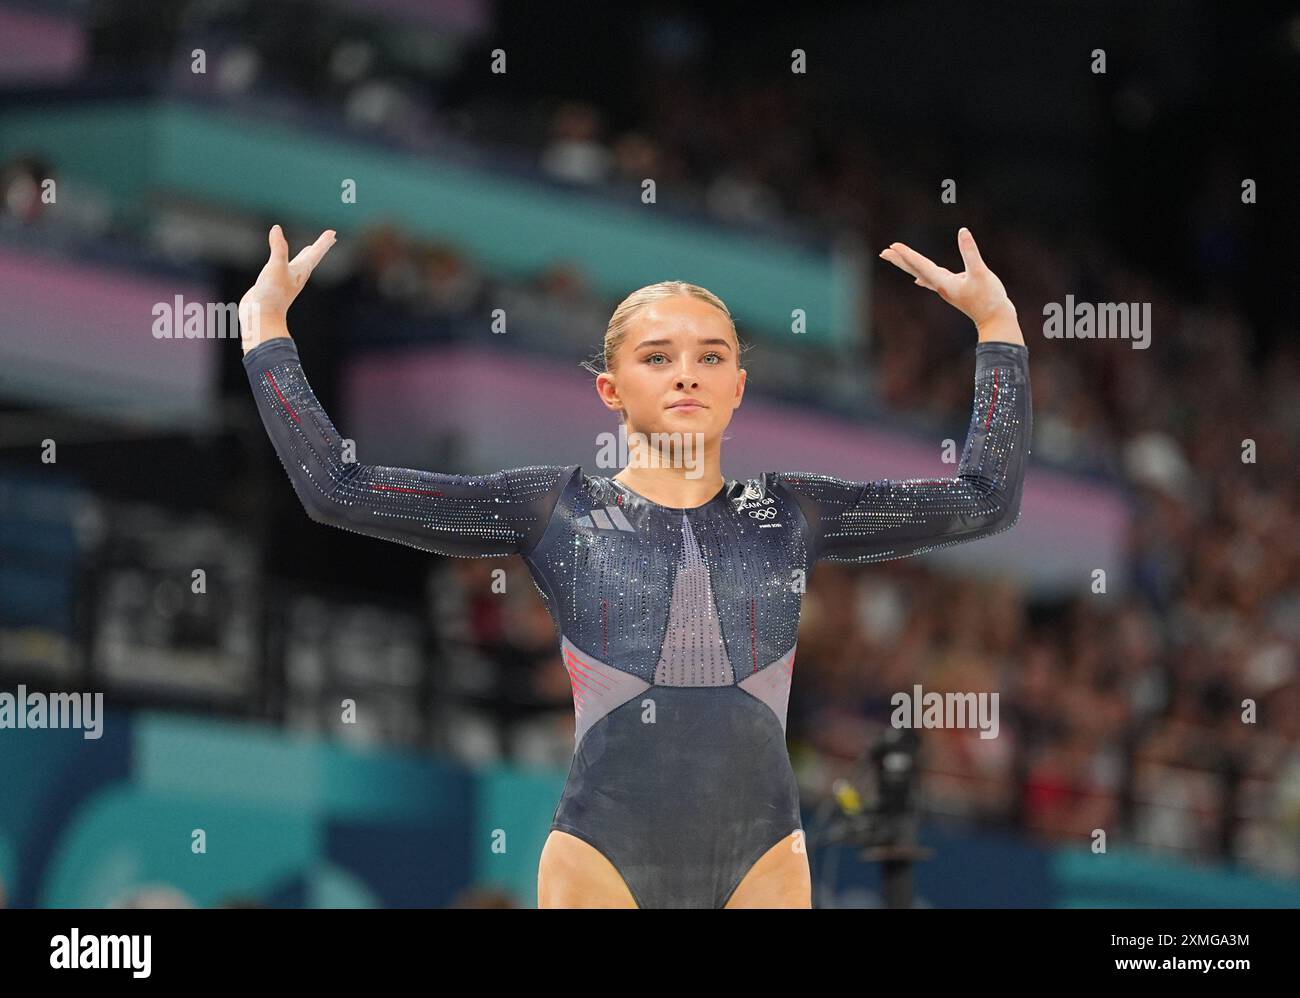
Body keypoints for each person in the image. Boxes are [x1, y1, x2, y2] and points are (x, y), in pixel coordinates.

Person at [239, 223, 1030, 908]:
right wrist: (265, 328)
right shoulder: (555, 508)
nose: (688, 371)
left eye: (711, 356)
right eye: (659, 356)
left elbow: (986, 498)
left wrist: (997, 327)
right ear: (612, 390)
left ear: (738, 388)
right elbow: (337, 489)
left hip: (762, 858)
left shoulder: (794, 512)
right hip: (601, 856)